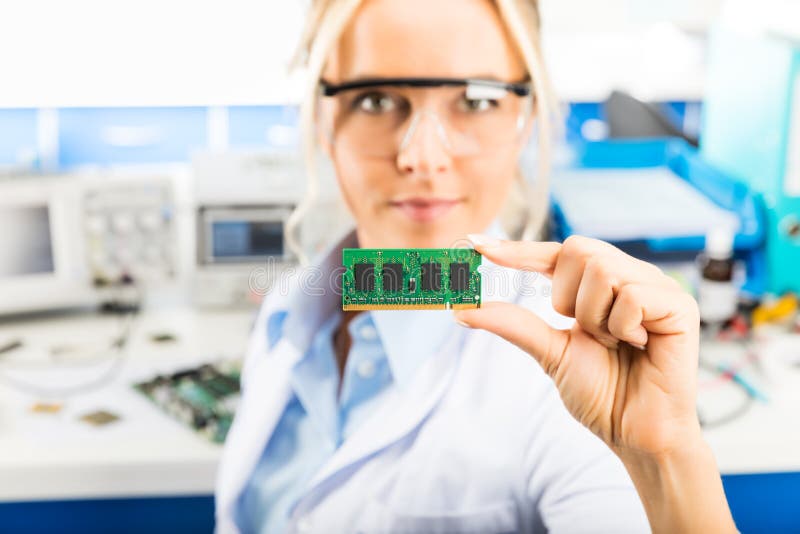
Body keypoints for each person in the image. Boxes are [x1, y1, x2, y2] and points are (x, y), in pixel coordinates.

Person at [216, 0, 738, 532]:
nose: (422, 156)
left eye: (476, 99)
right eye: (375, 99)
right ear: (323, 115)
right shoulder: (294, 306)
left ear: (526, 117)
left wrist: (663, 463)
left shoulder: (571, 378)